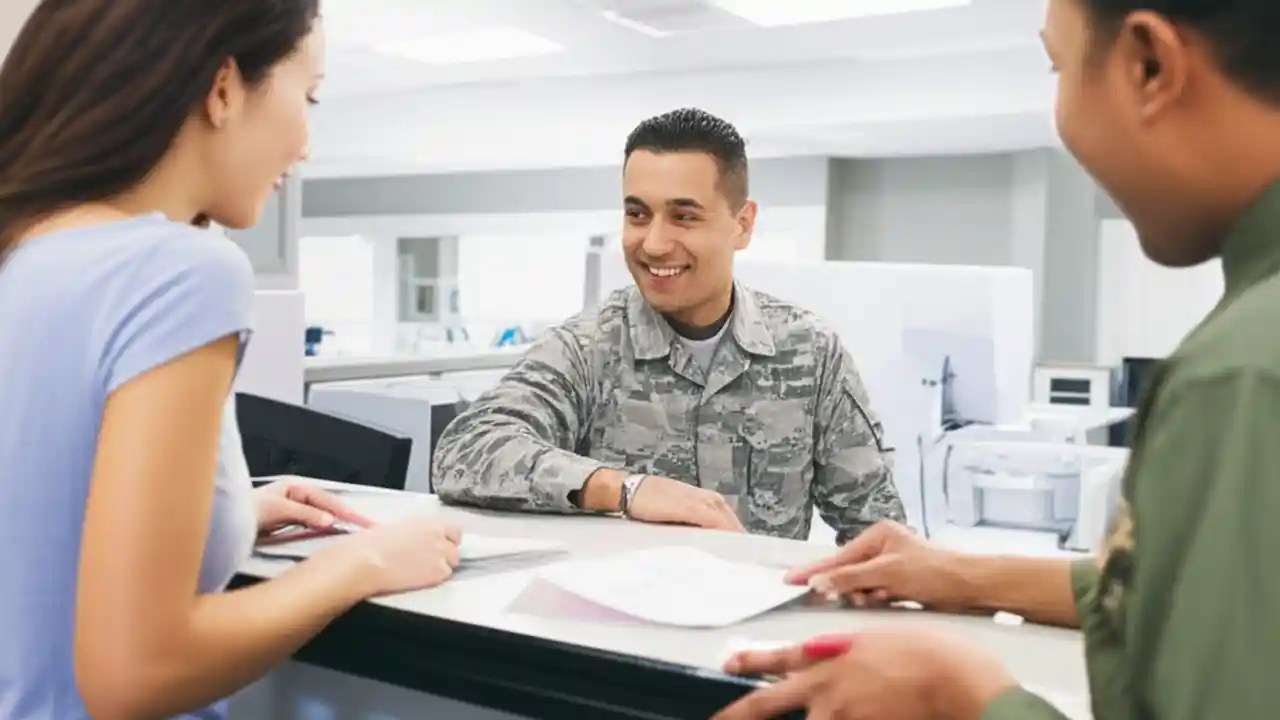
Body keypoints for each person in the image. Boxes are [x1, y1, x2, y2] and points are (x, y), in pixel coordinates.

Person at [716, 0, 1280, 718]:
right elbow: (1189, 594)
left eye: (1059, 66)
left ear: (1149, 65)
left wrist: (965, 697)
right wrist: (956, 572)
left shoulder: (1240, 377)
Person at [0, 3, 462, 719]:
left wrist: (225, 513)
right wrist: (360, 564)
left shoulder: (25, 255)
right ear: (222, 88)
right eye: (306, 97)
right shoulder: (178, 271)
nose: (305, 144)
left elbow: (33, 518)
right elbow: (135, 673)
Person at [434, 108, 904, 544]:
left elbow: (878, 529)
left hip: (758, 623)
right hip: (616, 625)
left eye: (684, 216)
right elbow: (466, 449)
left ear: (742, 224)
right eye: (638, 214)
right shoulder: (588, 347)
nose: (654, 244)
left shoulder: (809, 352)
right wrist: (624, 490)